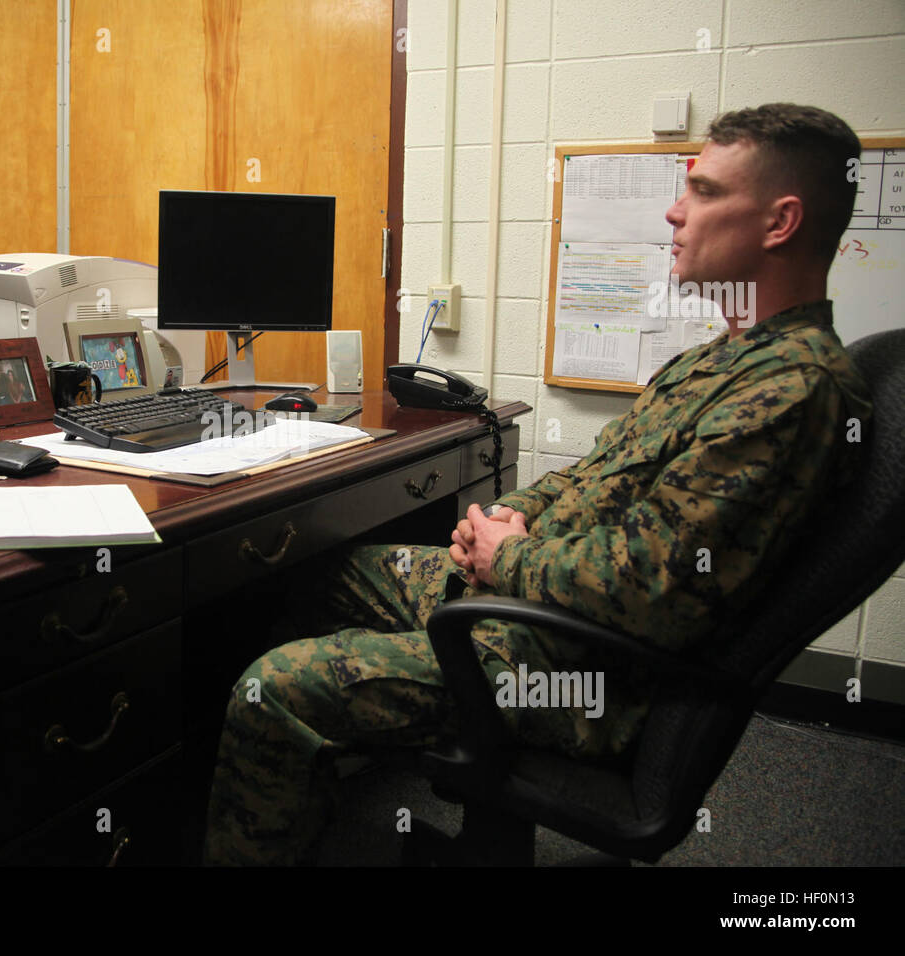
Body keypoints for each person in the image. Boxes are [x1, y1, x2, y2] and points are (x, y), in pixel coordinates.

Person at [205, 103, 874, 866]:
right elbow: (596, 475)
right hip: (535, 607)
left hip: (578, 677)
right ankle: (315, 788)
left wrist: (507, 559)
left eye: (707, 191)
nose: (674, 209)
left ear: (780, 222)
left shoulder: (790, 392)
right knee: (323, 574)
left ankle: (286, 769)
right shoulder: (721, 359)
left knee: (274, 687)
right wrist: (504, 514)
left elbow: (654, 592)